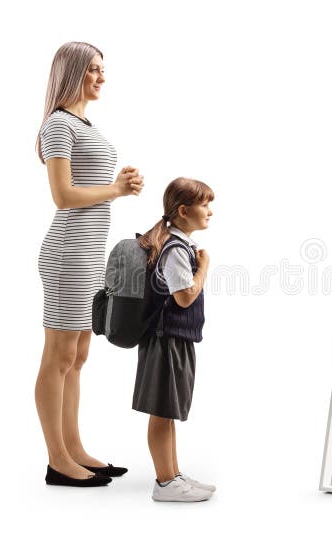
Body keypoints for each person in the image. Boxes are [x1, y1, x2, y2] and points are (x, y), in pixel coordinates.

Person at [35, 41, 144, 487]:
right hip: (66, 254)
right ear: (73, 71)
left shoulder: (85, 124)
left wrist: (124, 183)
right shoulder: (59, 126)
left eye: (103, 70)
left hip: (87, 254)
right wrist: (116, 190)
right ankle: (58, 460)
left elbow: (93, 184)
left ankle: (75, 448)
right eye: (93, 70)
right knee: (59, 356)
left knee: (78, 356)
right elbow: (62, 196)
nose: (101, 77)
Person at [134, 177, 215, 502]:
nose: (210, 211)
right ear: (183, 210)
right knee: (162, 412)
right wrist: (205, 267)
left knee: (167, 412)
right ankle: (165, 483)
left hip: (173, 339)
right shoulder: (176, 248)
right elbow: (184, 297)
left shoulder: (174, 242)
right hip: (167, 339)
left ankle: (173, 475)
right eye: (205, 204)